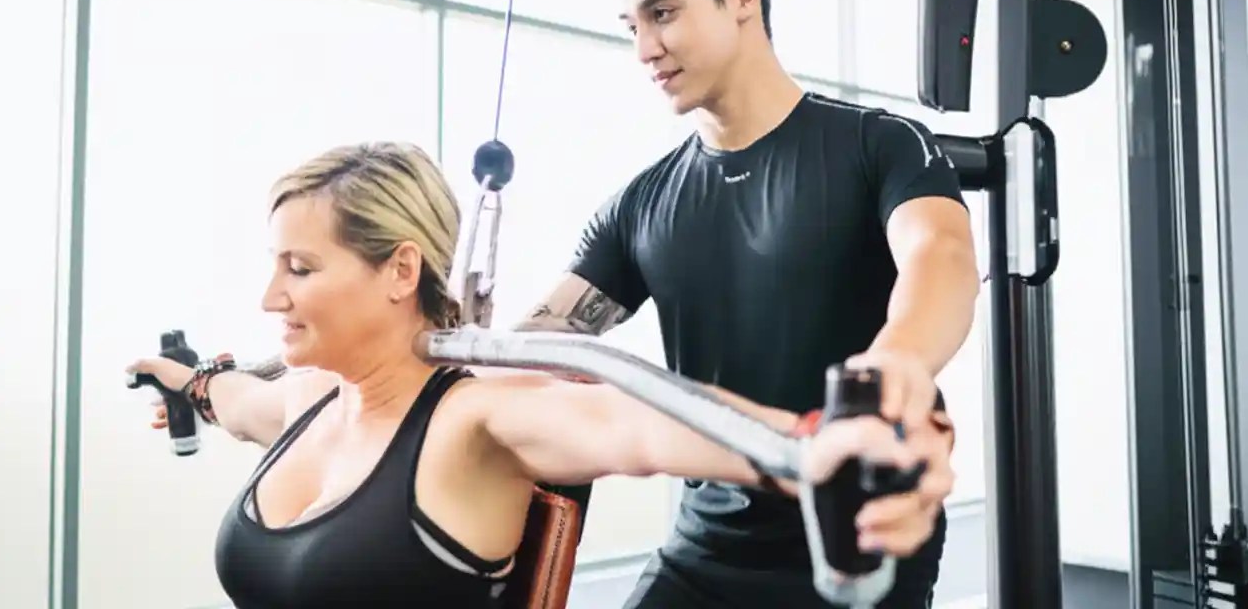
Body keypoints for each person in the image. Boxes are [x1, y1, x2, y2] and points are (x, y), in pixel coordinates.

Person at [127, 141, 951, 609]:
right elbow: (238, 403)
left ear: (399, 269)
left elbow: (634, 427)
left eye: (300, 269)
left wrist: (815, 447)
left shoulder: (478, 420)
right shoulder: (305, 400)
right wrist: (191, 385)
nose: (270, 295)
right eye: (274, 266)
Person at [513, 0, 979, 608]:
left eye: (662, 12)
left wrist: (892, 368)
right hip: (705, 543)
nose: (644, 49)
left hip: (858, 529)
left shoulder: (878, 145)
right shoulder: (641, 204)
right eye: (632, 26)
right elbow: (544, 345)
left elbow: (940, 258)